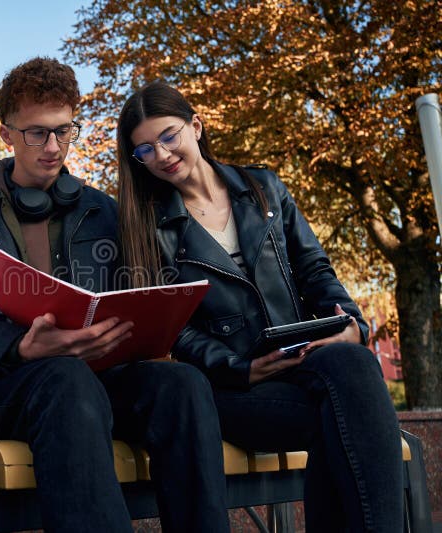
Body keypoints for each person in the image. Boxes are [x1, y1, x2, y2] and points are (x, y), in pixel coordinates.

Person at [0, 57, 229, 532]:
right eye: (37, 133)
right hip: (5, 384)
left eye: (64, 131)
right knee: (66, 378)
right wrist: (20, 345)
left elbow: (133, 293)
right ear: (7, 133)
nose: (53, 147)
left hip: (99, 377)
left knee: (184, 386)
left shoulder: (103, 210)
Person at [116, 80, 403, 532]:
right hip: (229, 390)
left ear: (196, 125)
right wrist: (238, 368)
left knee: (352, 359)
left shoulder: (262, 187)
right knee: (343, 416)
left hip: (301, 364)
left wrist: (350, 322)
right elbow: (172, 330)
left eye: (169, 136)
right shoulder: (146, 225)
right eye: (145, 150)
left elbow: (314, 270)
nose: (163, 154)